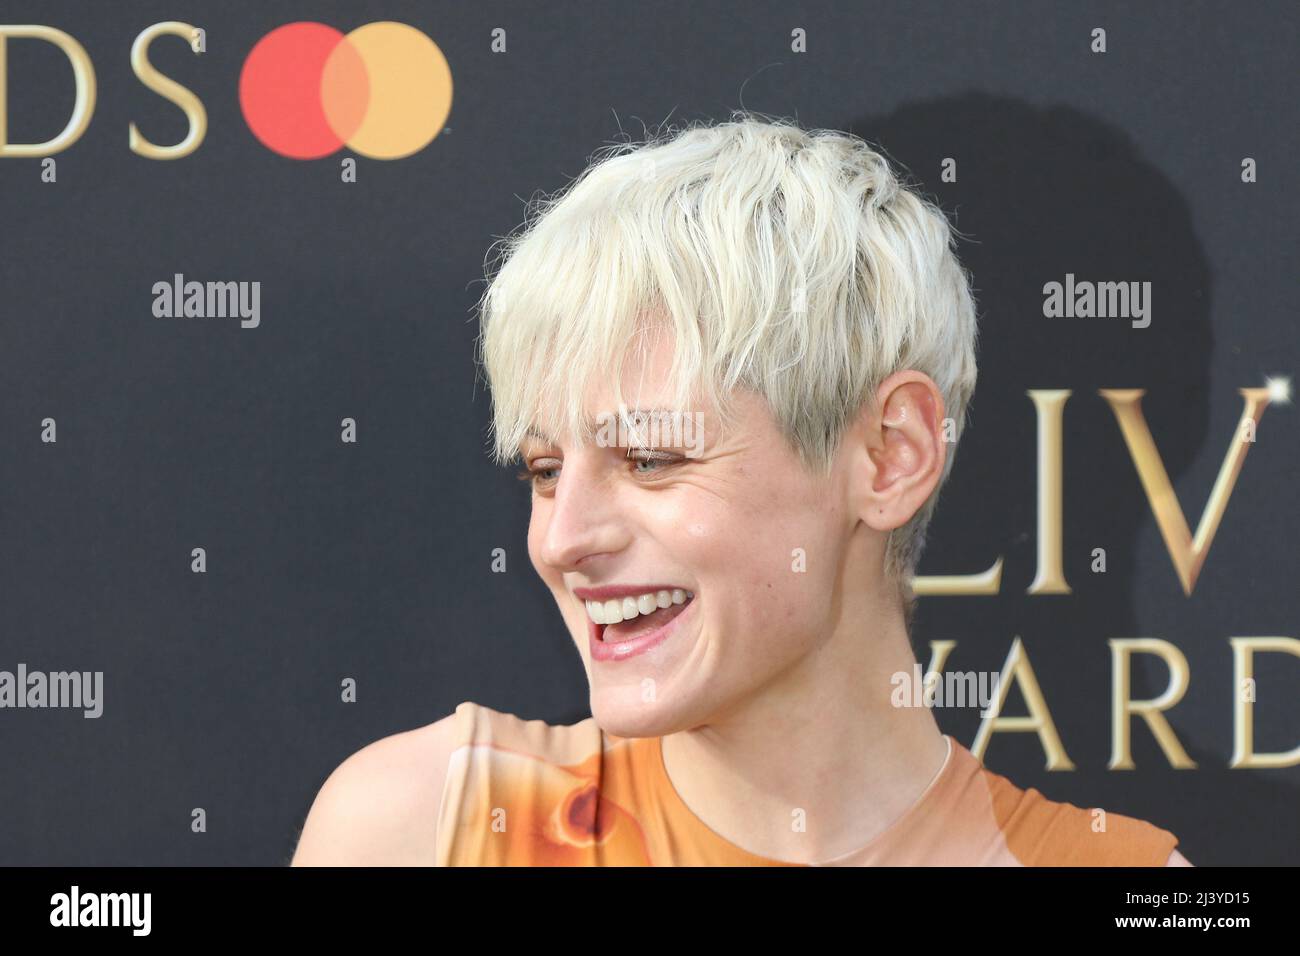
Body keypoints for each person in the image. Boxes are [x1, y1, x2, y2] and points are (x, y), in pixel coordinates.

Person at [291, 111, 1189, 866]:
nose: (564, 539)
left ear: (890, 456)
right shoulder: (427, 830)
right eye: (545, 471)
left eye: (650, 458)